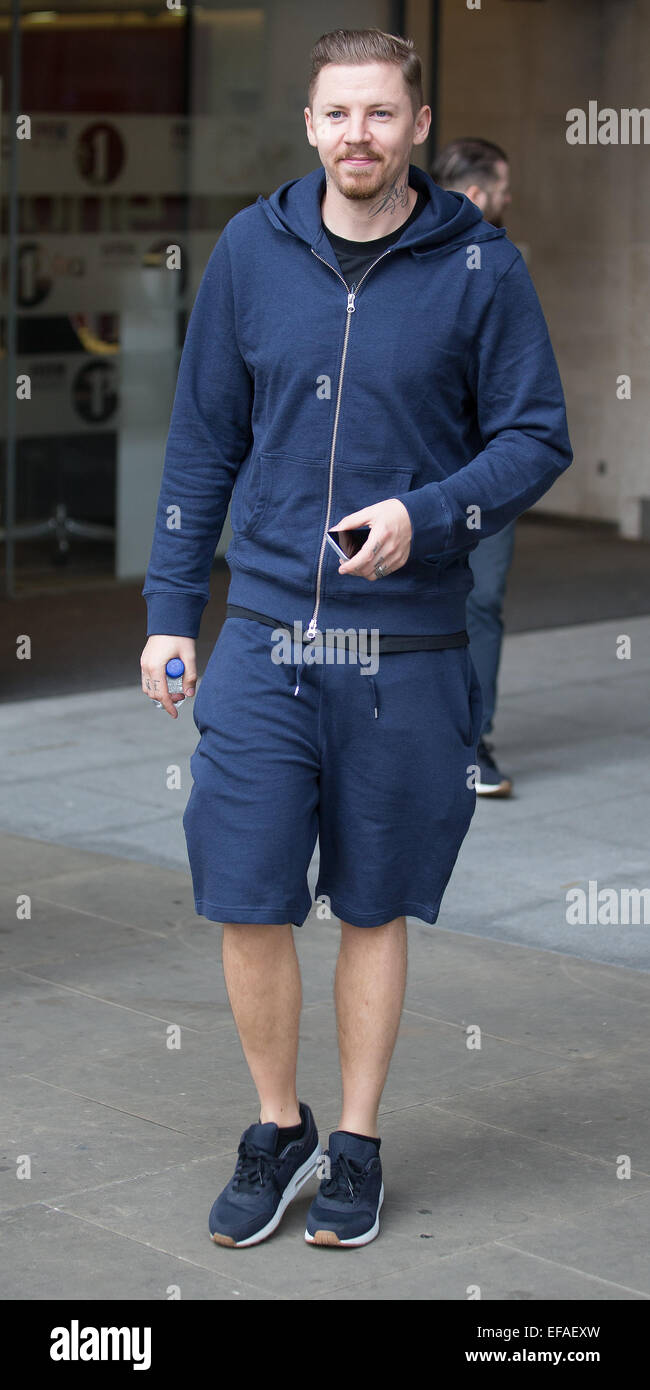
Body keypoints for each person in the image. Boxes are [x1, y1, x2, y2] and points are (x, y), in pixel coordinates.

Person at [140, 27, 572, 1250]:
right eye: (337, 115)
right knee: (246, 891)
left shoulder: (481, 265)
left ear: (417, 125)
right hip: (266, 638)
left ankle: (357, 1145)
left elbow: (534, 437)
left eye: (380, 115)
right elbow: (198, 447)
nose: (357, 138)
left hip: (406, 652)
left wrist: (425, 516)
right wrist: (173, 615)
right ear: (311, 125)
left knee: (373, 905)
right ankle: (276, 1126)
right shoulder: (249, 251)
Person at [432, 137, 515, 796]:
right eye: (505, 189)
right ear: (481, 193)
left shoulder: (502, 263)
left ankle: (472, 741)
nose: (508, 200)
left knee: (481, 602)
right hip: (418, 469)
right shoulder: (407, 248)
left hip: (485, 474)